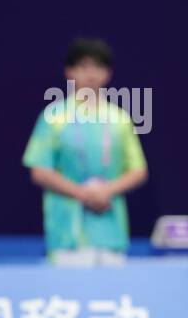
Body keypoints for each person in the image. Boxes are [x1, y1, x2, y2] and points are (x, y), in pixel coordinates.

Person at [22, 38, 148, 266]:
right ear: (69, 72)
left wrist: (106, 191)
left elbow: (138, 170)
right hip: (67, 232)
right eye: (83, 66)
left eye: (98, 67)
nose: (91, 74)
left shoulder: (120, 118)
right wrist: (84, 194)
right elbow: (40, 171)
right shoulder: (54, 116)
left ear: (108, 73)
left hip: (111, 230)